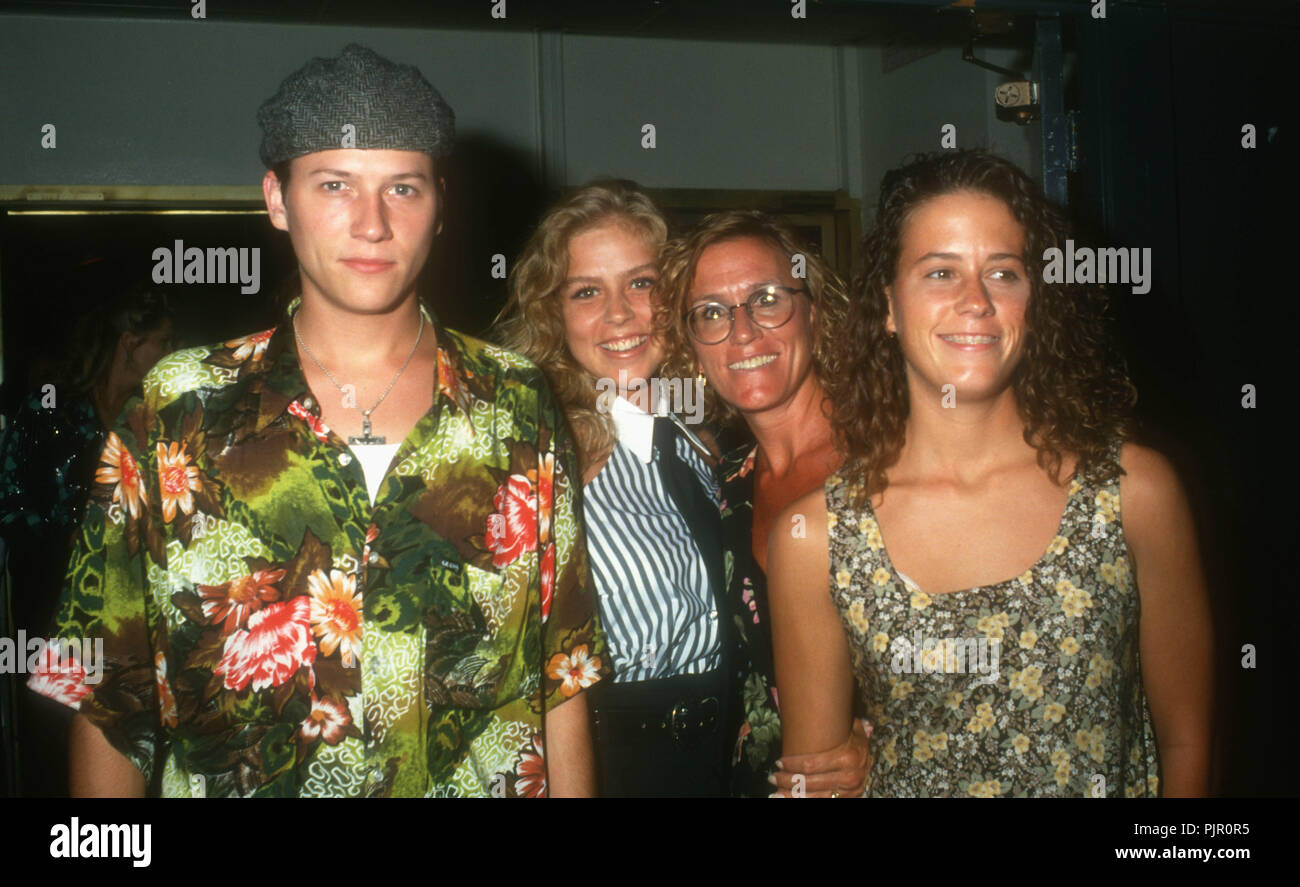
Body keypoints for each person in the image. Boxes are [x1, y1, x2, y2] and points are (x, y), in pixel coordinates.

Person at [27, 43, 604, 797]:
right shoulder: (180, 406)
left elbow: (559, 677)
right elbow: (109, 694)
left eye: (403, 187)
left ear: (440, 207)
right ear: (276, 198)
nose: (372, 223)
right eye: (335, 184)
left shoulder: (515, 401)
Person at [768, 150, 1213, 796]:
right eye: (941, 272)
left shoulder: (1134, 494)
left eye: (1003, 272)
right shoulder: (816, 538)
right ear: (889, 305)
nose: (975, 300)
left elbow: (1188, 745)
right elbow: (814, 783)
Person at [657, 211, 870, 798]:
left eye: (767, 299)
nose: (743, 332)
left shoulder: (896, 461)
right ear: (692, 347)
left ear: (816, 312)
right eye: (712, 313)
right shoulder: (718, 486)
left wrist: (889, 745)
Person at [1, 282, 172, 797]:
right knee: (58, 743)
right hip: (54, 606)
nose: (169, 354)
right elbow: (10, 504)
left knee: (134, 739)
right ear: (128, 342)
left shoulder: (154, 418)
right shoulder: (50, 408)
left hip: (132, 611)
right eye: (161, 342)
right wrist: (70, 533)